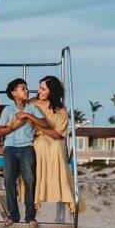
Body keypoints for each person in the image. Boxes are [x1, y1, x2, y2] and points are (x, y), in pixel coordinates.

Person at [29, 75, 83, 214]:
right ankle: (38, 198)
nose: (39, 91)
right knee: (41, 146)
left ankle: (67, 197)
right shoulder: (31, 104)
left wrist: (39, 126)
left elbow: (58, 134)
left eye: (43, 89)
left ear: (51, 92)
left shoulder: (61, 110)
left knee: (58, 148)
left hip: (55, 139)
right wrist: (41, 128)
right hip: (38, 138)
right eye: (39, 87)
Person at [0, 77, 45, 228]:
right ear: (14, 93)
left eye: (26, 88)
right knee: (9, 179)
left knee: (30, 179)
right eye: (22, 89)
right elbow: (0, 131)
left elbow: (44, 123)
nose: (26, 91)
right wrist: (14, 126)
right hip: (10, 148)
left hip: (27, 148)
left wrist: (28, 116)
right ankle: (13, 215)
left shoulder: (32, 109)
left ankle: (30, 216)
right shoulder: (8, 110)